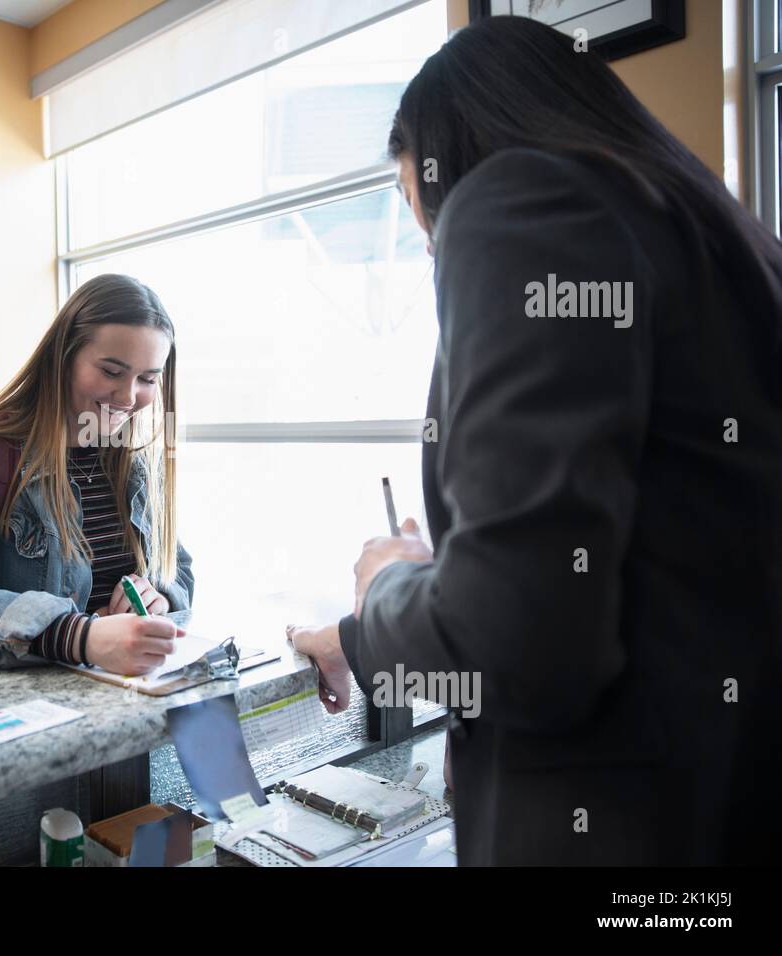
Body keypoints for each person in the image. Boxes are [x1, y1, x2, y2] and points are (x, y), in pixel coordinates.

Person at [291, 14, 782, 864]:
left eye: (418, 211)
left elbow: (518, 643)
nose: (433, 245)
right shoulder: (730, 248)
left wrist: (386, 589)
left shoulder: (520, 203)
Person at [0, 274, 192, 674]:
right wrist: (80, 637)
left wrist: (159, 598)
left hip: (128, 692)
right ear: (63, 357)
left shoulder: (138, 462)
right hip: (22, 701)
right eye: (111, 371)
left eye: (147, 379)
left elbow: (179, 572)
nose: (128, 397)